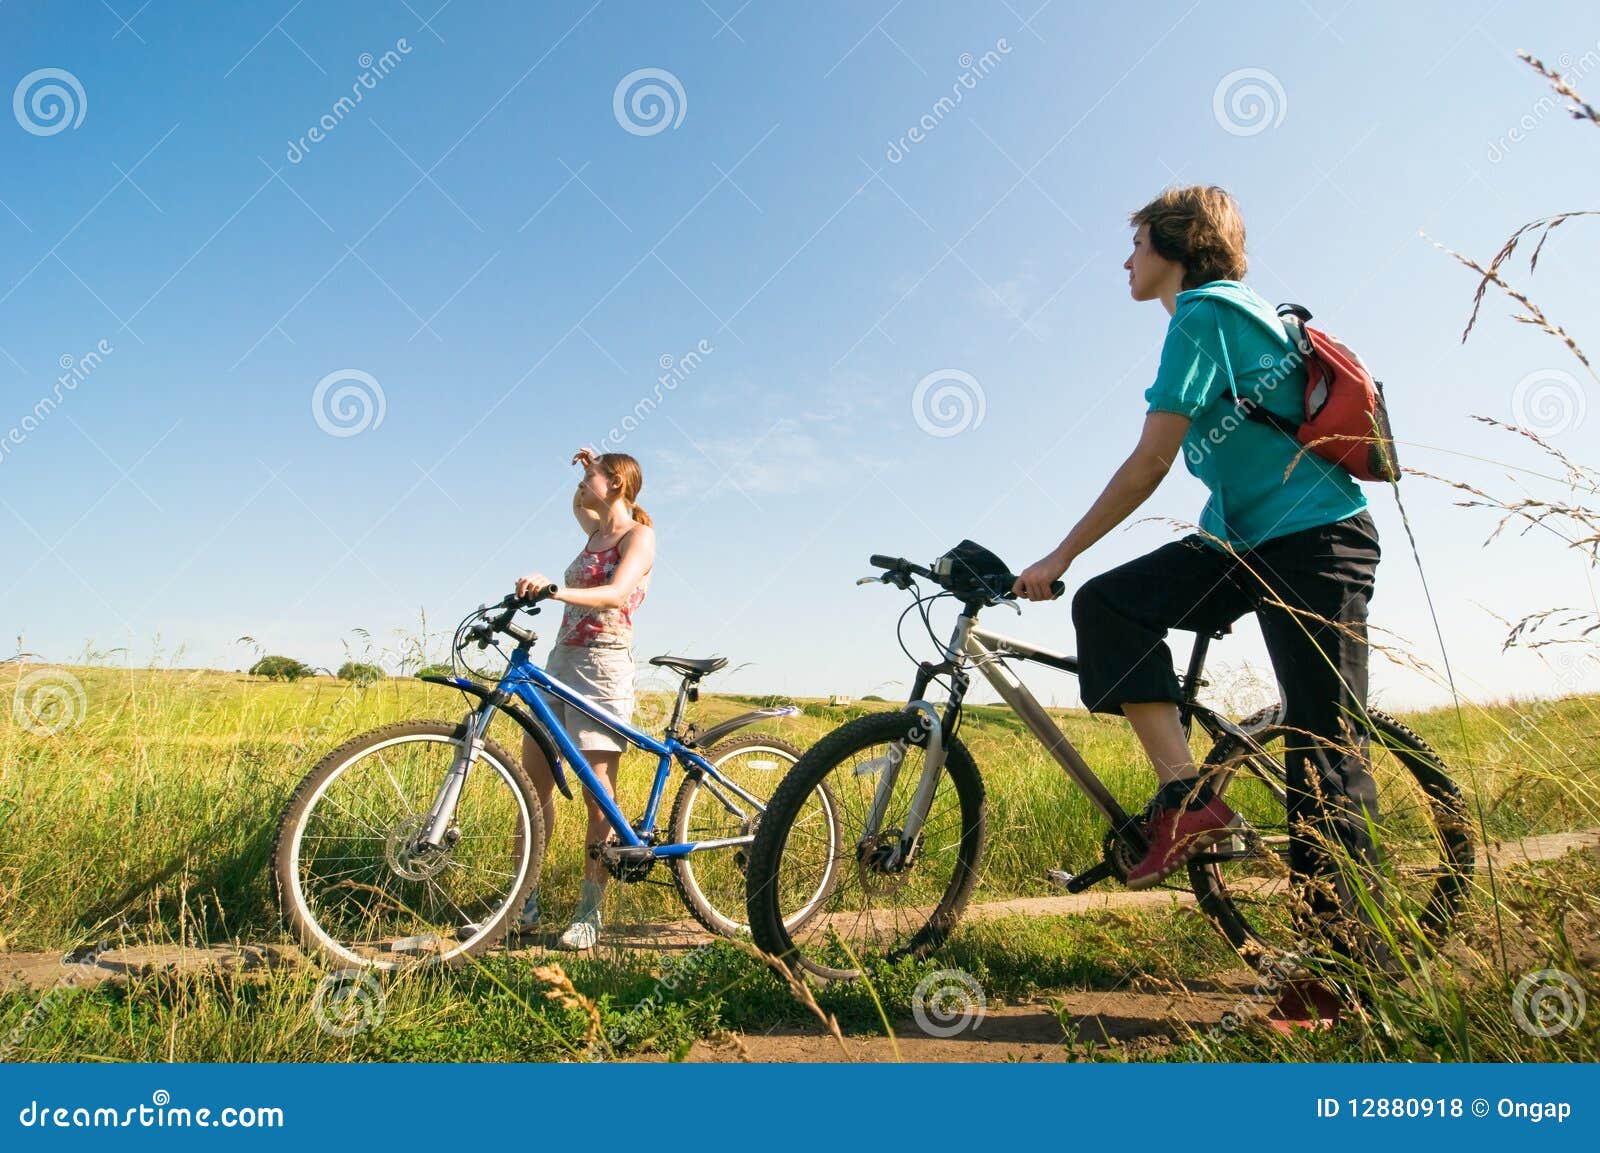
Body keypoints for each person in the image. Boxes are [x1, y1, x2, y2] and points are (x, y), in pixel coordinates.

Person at [1013, 185, 1384, 1028]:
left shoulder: (1205, 313)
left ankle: (1343, 979)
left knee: (1323, 751)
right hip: (1242, 542)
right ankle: (1190, 800)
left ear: (1177, 246)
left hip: (1316, 540)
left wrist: (1060, 555)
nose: (1126, 261)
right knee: (1112, 605)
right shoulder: (1217, 318)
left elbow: (1150, 462)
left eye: (1138, 243)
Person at [512, 448, 655, 950]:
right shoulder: (593, 532)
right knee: (532, 789)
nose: (580, 483)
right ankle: (522, 905)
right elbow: (580, 503)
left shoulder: (639, 536)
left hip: (603, 667)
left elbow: (615, 594)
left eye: (590, 476)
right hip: (559, 662)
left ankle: (589, 913)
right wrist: (591, 465)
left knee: (599, 799)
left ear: (616, 483)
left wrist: (553, 591)